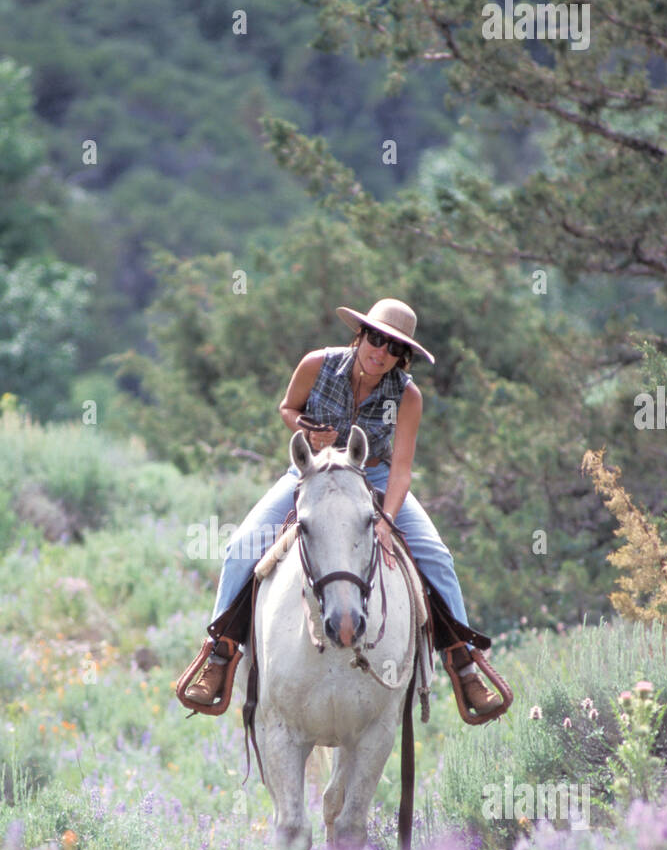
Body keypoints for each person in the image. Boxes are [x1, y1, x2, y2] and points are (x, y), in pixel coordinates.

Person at [182, 297, 499, 717]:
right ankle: (219, 655)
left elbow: (402, 470)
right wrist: (306, 434)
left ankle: (463, 662)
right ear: (360, 335)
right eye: (375, 339)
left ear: (403, 358)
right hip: (312, 474)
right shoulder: (317, 364)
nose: (381, 352)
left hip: (375, 477)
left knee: (438, 557)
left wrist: (386, 521)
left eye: (394, 348)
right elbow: (287, 408)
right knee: (241, 545)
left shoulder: (407, 396)